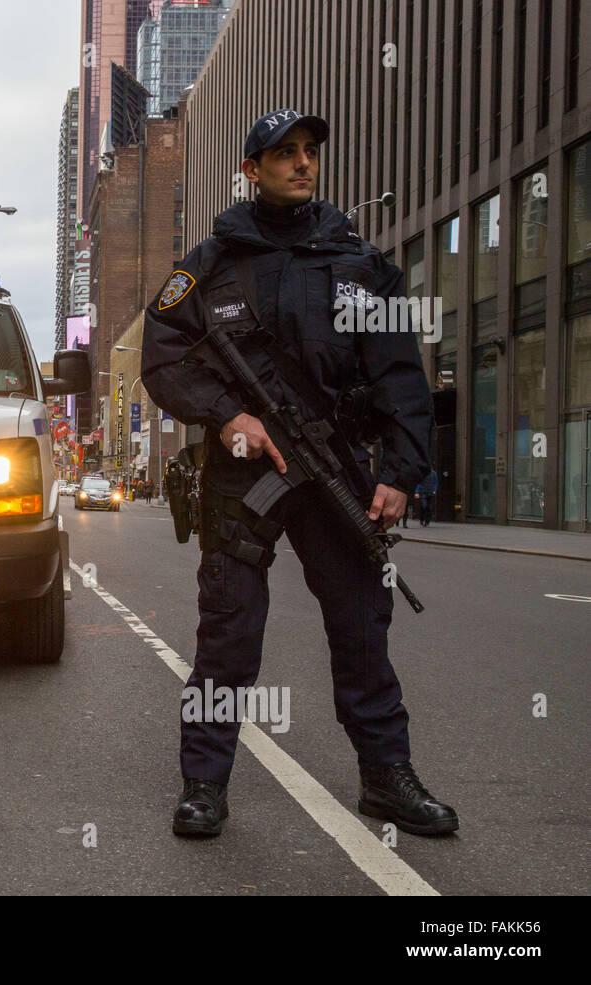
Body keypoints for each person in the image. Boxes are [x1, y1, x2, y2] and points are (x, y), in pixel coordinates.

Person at [143, 109, 457, 838]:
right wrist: (227, 416)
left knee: (360, 630)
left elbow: (401, 378)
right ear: (251, 170)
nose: (303, 163)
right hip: (242, 470)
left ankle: (387, 779)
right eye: (284, 153)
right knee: (228, 634)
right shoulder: (209, 264)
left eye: (310, 151)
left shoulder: (359, 264)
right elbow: (163, 355)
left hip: (335, 469)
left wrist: (400, 472)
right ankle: (203, 783)